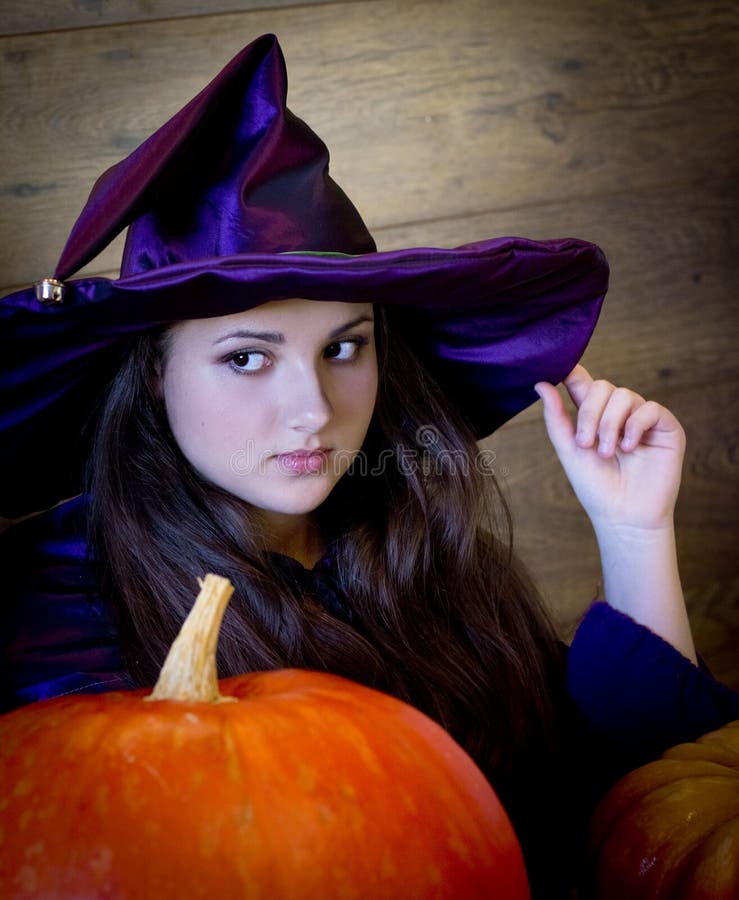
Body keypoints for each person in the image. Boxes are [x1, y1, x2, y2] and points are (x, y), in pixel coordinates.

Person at [1, 34, 737, 898]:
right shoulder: (58, 616)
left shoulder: (407, 536)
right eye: (246, 358)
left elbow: (631, 815)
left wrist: (632, 530)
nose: (313, 409)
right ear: (155, 373)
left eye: (344, 346)